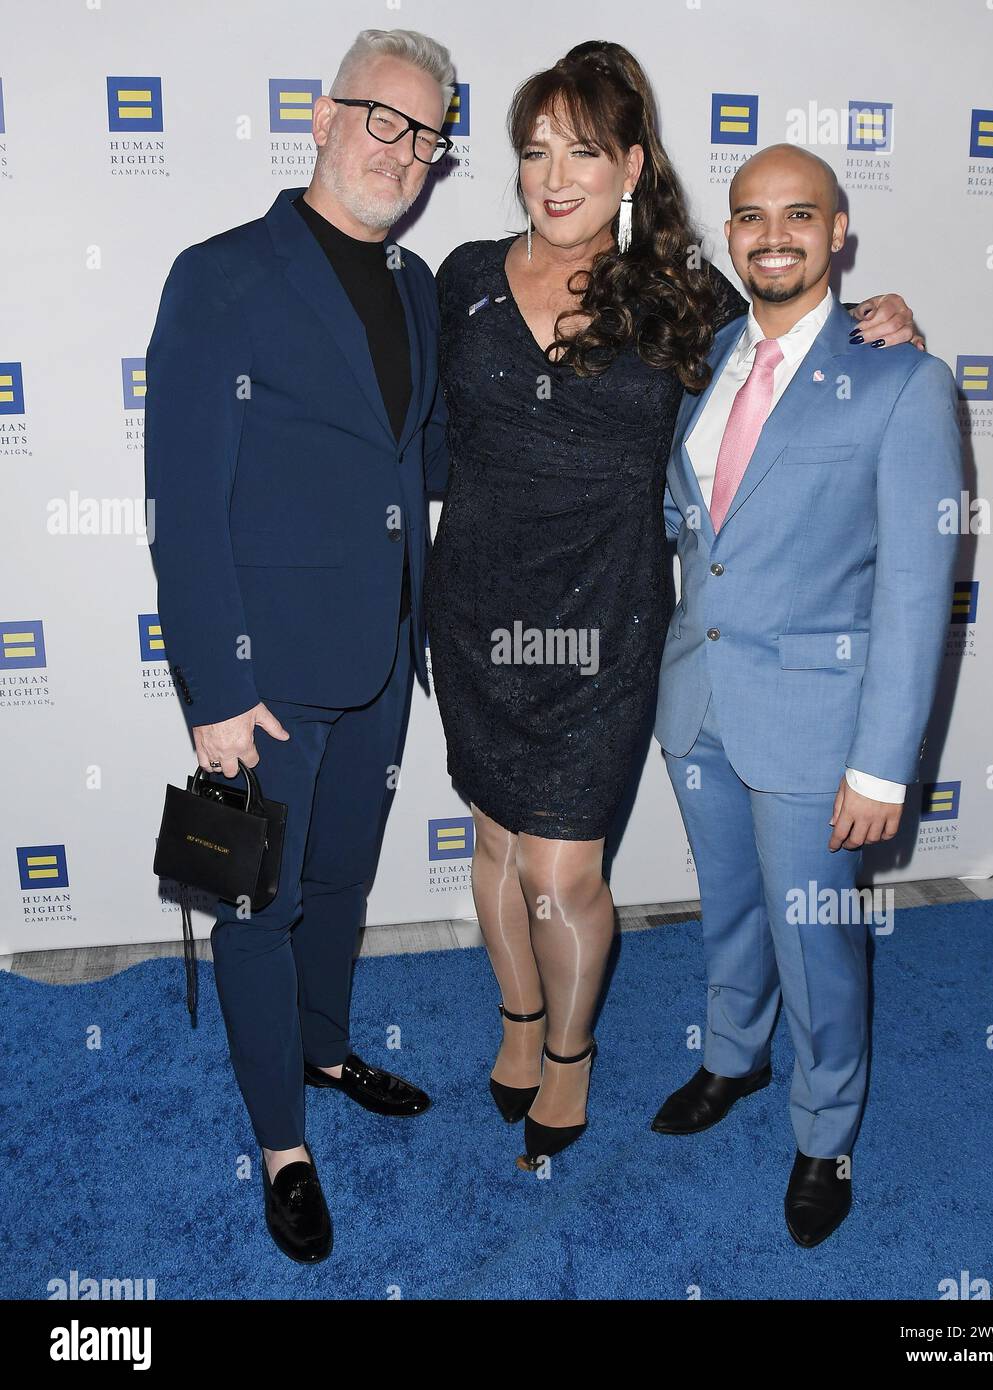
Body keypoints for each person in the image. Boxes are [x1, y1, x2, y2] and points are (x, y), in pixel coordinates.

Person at [423, 41, 917, 1173]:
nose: (553, 174)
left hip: (607, 624)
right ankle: (513, 1022)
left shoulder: (681, 300)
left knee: (563, 870)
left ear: (631, 165)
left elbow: (790, 354)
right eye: (533, 149)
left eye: (582, 150)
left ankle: (570, 1052)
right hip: (476, 612)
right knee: (495, 840)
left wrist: (882, 325)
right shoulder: (457, 278)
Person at [143, 28, 453, 1263]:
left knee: (341, 880)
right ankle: (281, 1140)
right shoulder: (220, 275)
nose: (403, 153)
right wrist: (214, 689)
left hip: (380, 656)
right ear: (323, 117)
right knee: (255, 906)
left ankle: (324, 1050)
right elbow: (184, 502)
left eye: (426, 136)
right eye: (383, 120)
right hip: (265, 679)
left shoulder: (420, 285)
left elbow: (417, 460)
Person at [651, 143, 961, 1247]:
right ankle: (732, 1058)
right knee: (729, 910)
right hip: (695, 706)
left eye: (797, 214)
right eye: (748, 217)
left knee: (815, 936)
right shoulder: (706, 357)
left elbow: (918, 593)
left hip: (820, 730)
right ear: (727, 235)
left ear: (838, 233)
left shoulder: (903, 380)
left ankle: (824, 1127)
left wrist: (880, 764)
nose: (769, 234)